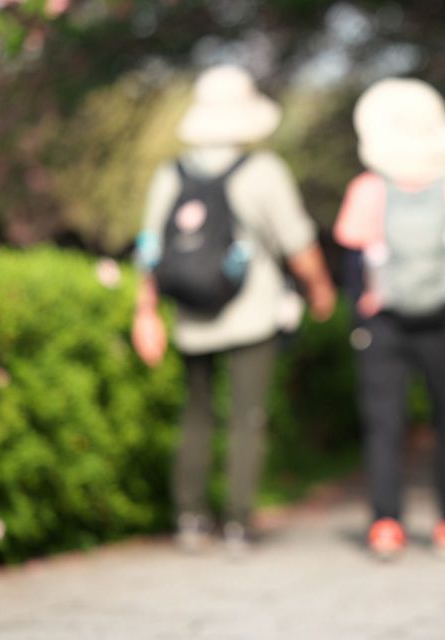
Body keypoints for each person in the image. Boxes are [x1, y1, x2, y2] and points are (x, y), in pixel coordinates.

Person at [131, 65, 336, 552]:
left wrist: (145, 311)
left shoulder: (171, 173)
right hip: (251, 316)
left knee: (195, 415)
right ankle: (239, 524)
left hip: (189, 316)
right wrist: (322, 289)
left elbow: (149, 247)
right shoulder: (262, 171)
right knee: (246, 417)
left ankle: (189, 519)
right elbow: (298, 243)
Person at [333, 77, 445, 560]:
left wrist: (356, 319)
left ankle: (385, 522)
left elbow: (354, 266)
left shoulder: (367, 188)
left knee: (384, 425)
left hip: (384, 324)